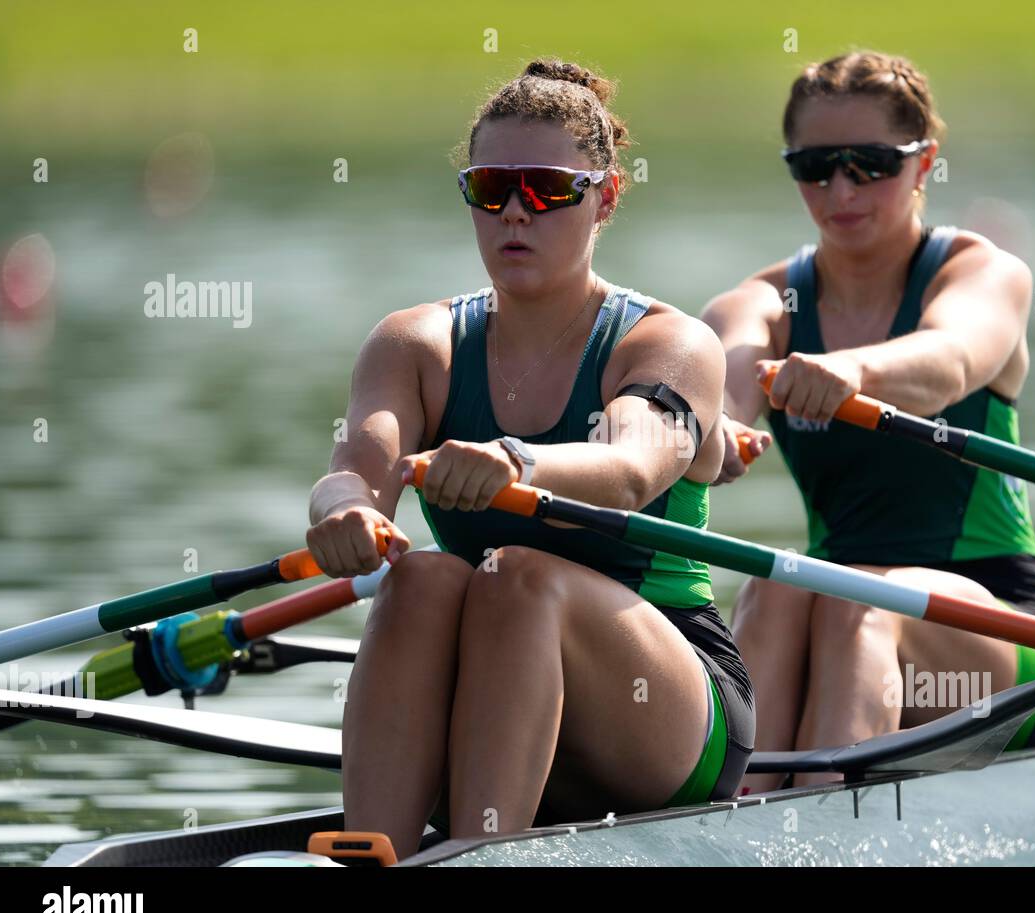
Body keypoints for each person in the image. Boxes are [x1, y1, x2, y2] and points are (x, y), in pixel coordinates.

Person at [307, 59, 753, 858]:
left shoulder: (669, 342)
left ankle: (483, 855)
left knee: (514, 574)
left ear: (605, 197)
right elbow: (357, 467)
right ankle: (371, 851)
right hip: (498, 699)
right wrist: (338, 511)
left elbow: (628, 470)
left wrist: (515, 465)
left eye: (547, 188)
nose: (516, 211)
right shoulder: (415, 345)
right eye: (490, 188)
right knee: (420, 576)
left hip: (666, 713)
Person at [703, 51, 1035, 792]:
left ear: (925, 162)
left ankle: (823, 835)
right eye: (814, 166)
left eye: (870, 163)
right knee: (772, 588)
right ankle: (733, 820)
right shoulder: (767, 301)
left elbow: (952, 361)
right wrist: (715, 434)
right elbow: (721, 384)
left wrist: (853, 373)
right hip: (830, 611)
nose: (840, 189)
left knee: (858, 605)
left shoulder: (981, 273)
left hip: (1003, 636)